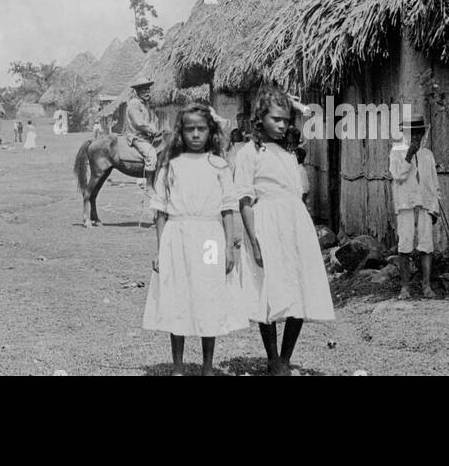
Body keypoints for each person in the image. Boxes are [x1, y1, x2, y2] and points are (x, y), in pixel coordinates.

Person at [143, 102, 247, 375]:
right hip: (177, 237)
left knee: (208, 294)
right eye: (190, 129)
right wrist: (160, 250)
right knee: (177, 295)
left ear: (210, 131)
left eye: (201, 129)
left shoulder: (219, 165)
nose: (196, 134)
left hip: (209, 238)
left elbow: (228, 209)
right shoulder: (171, 166)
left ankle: (207, 366)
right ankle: (178, 366)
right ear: (181, 132)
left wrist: (228, 247)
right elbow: (161, 211)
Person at [233, 92, 334, 375]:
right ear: (260, 119)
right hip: (267, 223)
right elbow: (245, 201)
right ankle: (273, 357)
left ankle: (286, 357)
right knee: (269, 288)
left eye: (286, 120)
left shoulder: (289, 154)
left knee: (299, 287)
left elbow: (296, 194)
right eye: (275, 119)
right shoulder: (248, 153)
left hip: (295, 223)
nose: (281, 125)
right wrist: (254, 242)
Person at [390, 111, 439, 300]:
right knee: (405, 244)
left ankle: (427, 286)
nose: (416, 137)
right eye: (412, 133)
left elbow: (434, 183)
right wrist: (409, 155)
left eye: (419, 133)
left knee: (426, 244)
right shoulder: (396, 153)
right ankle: (405, 288)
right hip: (405, 205)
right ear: (405, 133)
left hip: (425, 204)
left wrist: (434, 208)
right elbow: (398, 176)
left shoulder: (427, 155)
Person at [124, 76, 161, 191]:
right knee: (152, 156)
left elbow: (151, 121)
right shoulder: (134, 103)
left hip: (146, 137)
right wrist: (153, 130)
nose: (147, 92)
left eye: (148, 89)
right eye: (144, 89)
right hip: (137, 137)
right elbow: (138, 123)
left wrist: (156, 129)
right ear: (137, 91)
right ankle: (149, 185)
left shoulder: (146, 104)